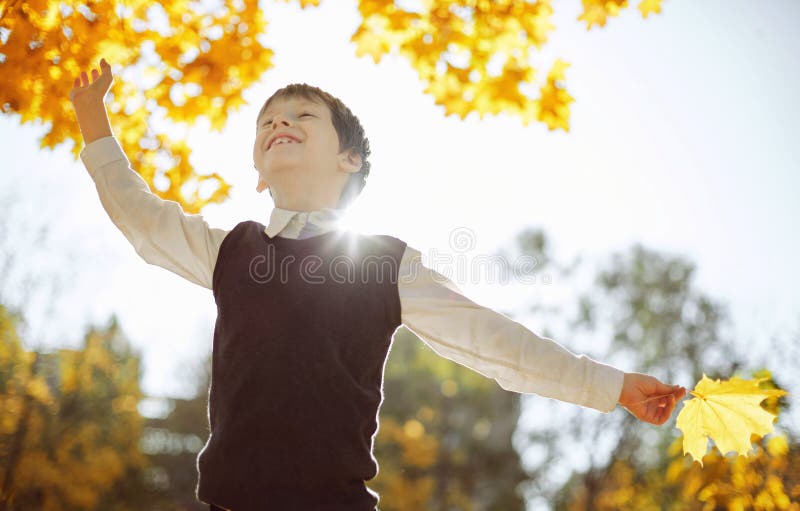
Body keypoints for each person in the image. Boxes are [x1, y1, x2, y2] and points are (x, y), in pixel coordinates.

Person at [70, 58, 687, 511]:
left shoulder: (384, 265)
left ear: (350, 160)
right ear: (258, 173)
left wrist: (610, 387)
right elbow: (143, 219)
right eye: (267, 122)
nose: (279, 122)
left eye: (301, 115)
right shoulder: (230, 252)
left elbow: (492, 341)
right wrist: (94, 123)